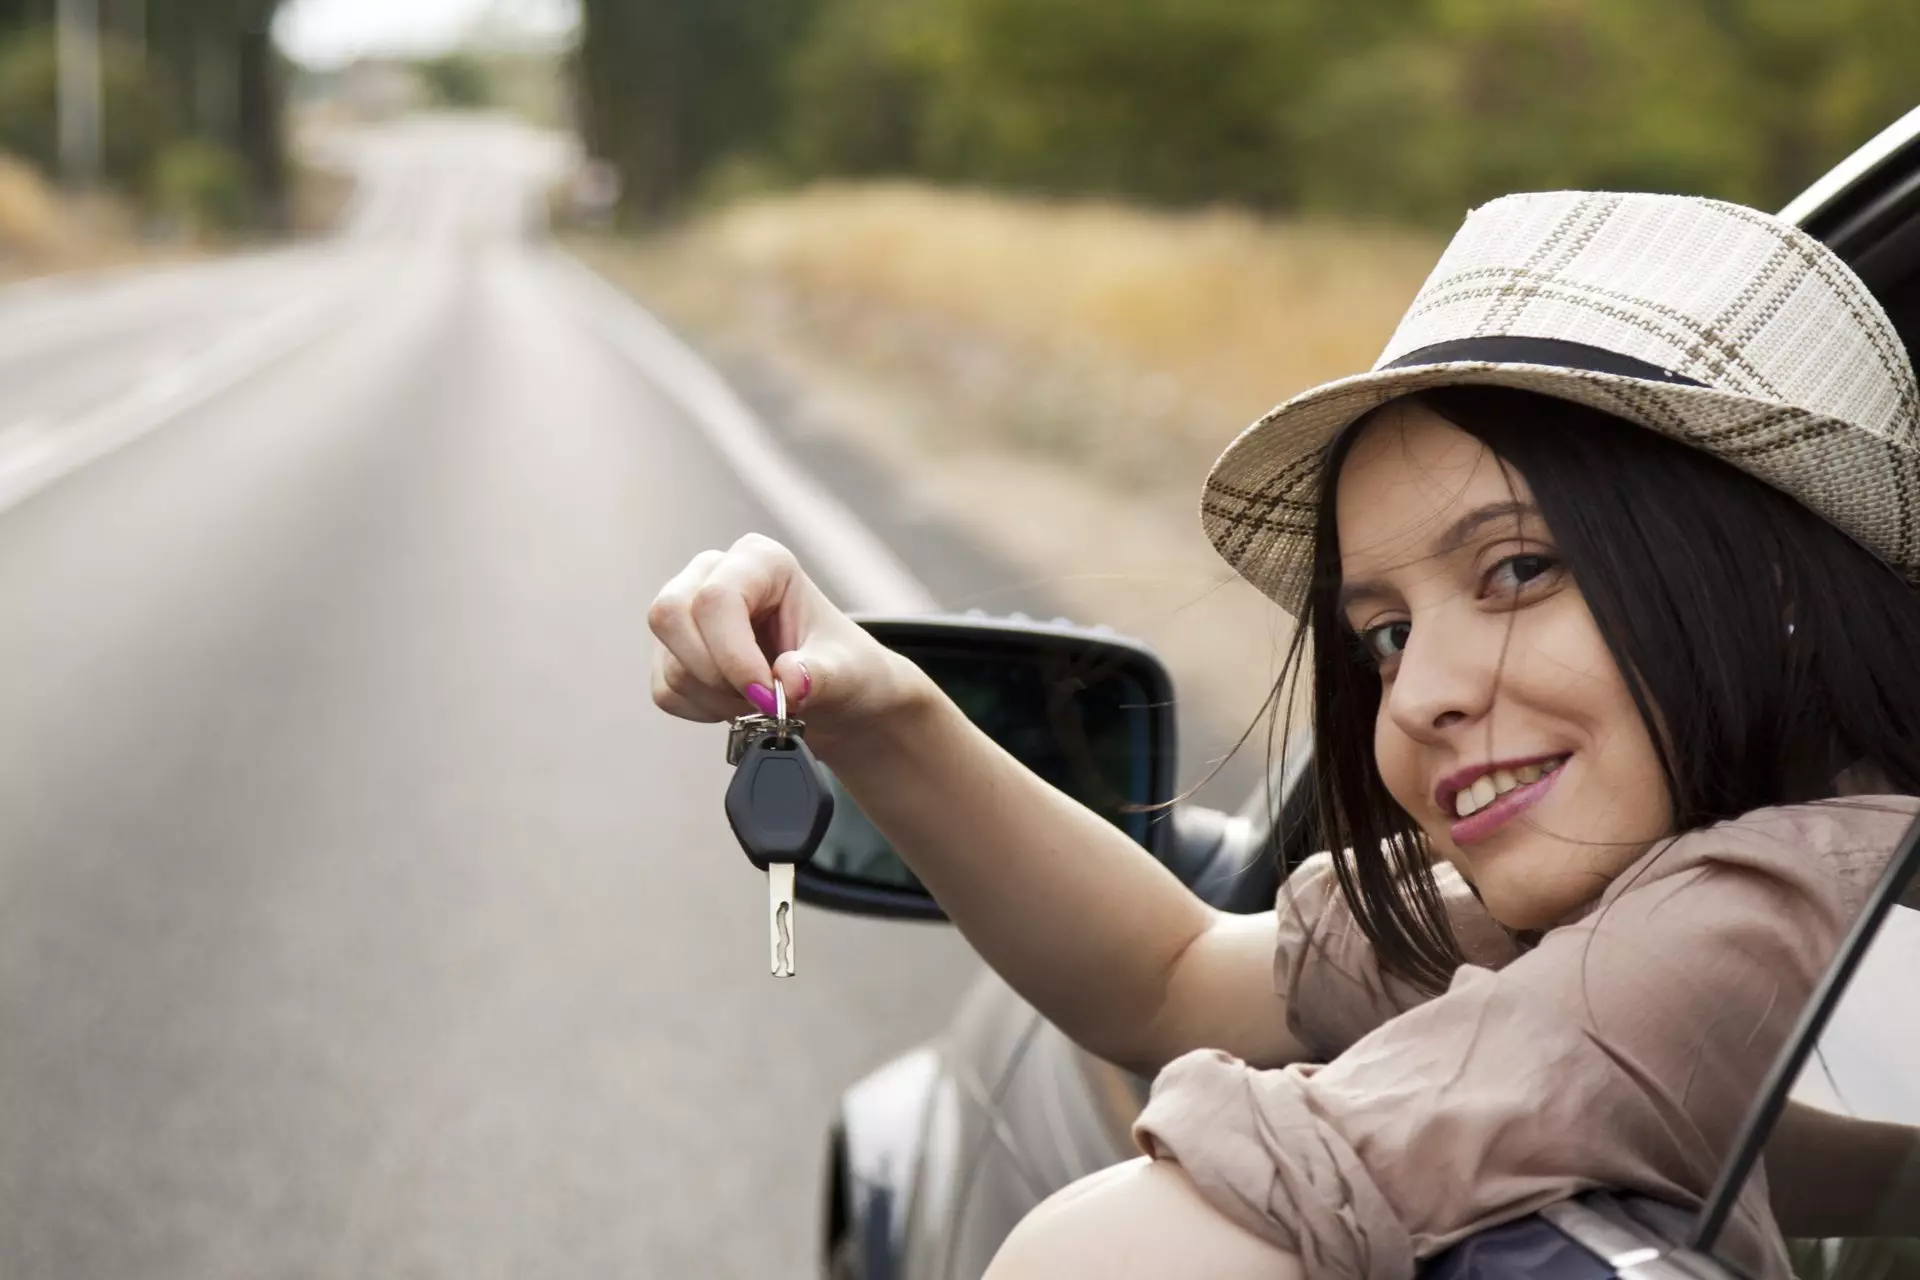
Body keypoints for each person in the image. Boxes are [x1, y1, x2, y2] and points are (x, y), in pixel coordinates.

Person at [647, 191, 1920, 1279]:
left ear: (1778, 587)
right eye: (1383, 634)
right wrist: (880, 700)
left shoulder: (1770, 907)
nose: (1417, 694)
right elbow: (1172, 975)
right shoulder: (1695, 907)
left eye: (1520, 568)